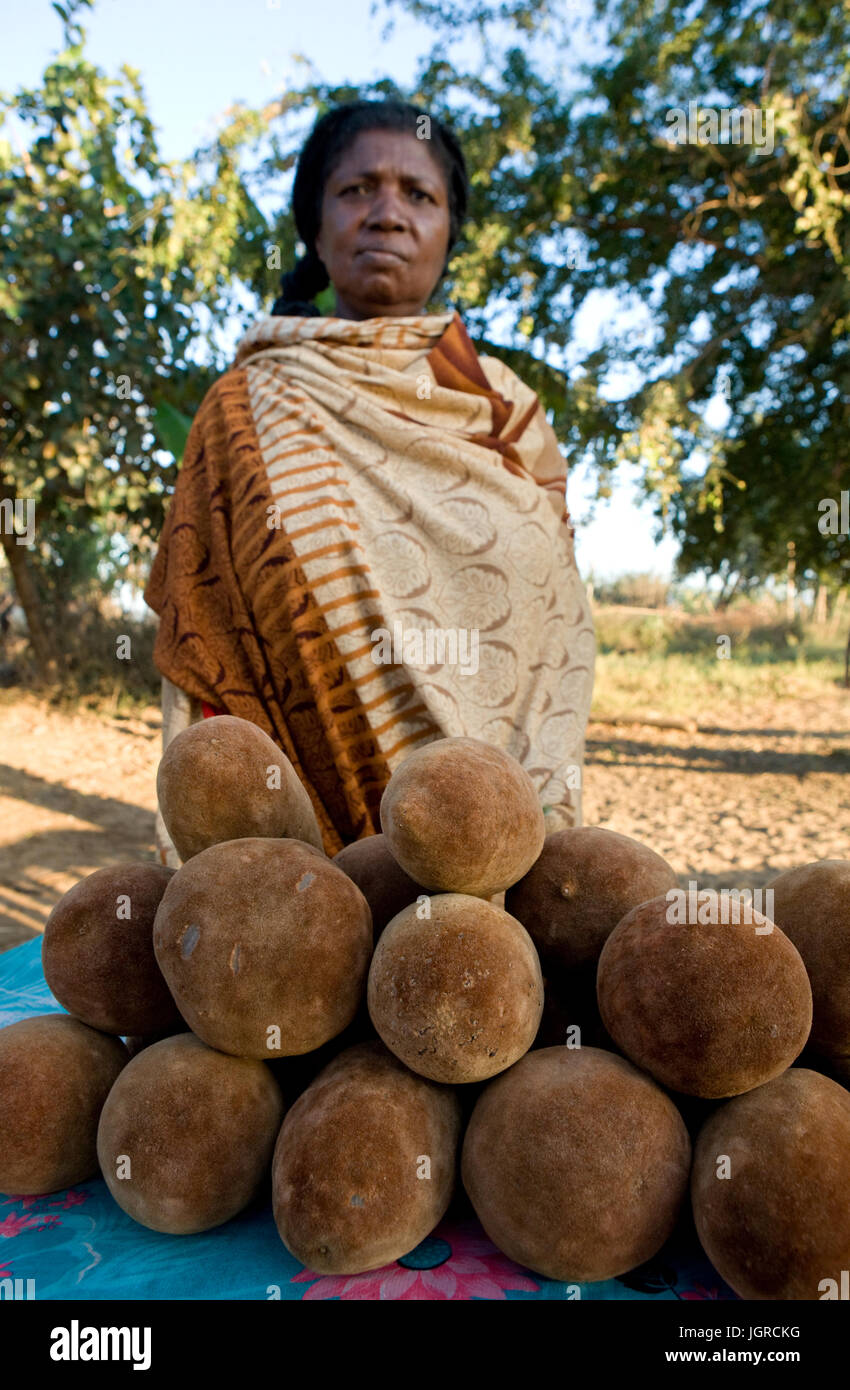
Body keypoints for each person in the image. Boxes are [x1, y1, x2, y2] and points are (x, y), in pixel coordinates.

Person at [144, 98, 596, 868]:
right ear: (315, 230)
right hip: (295, 864)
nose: (388, 213)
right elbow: (214, 634)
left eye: (419, 195)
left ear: (449, 234)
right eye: (357, 190)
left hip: (502, 833)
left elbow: (555, 630)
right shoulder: (247, 404)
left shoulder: (508, 410)